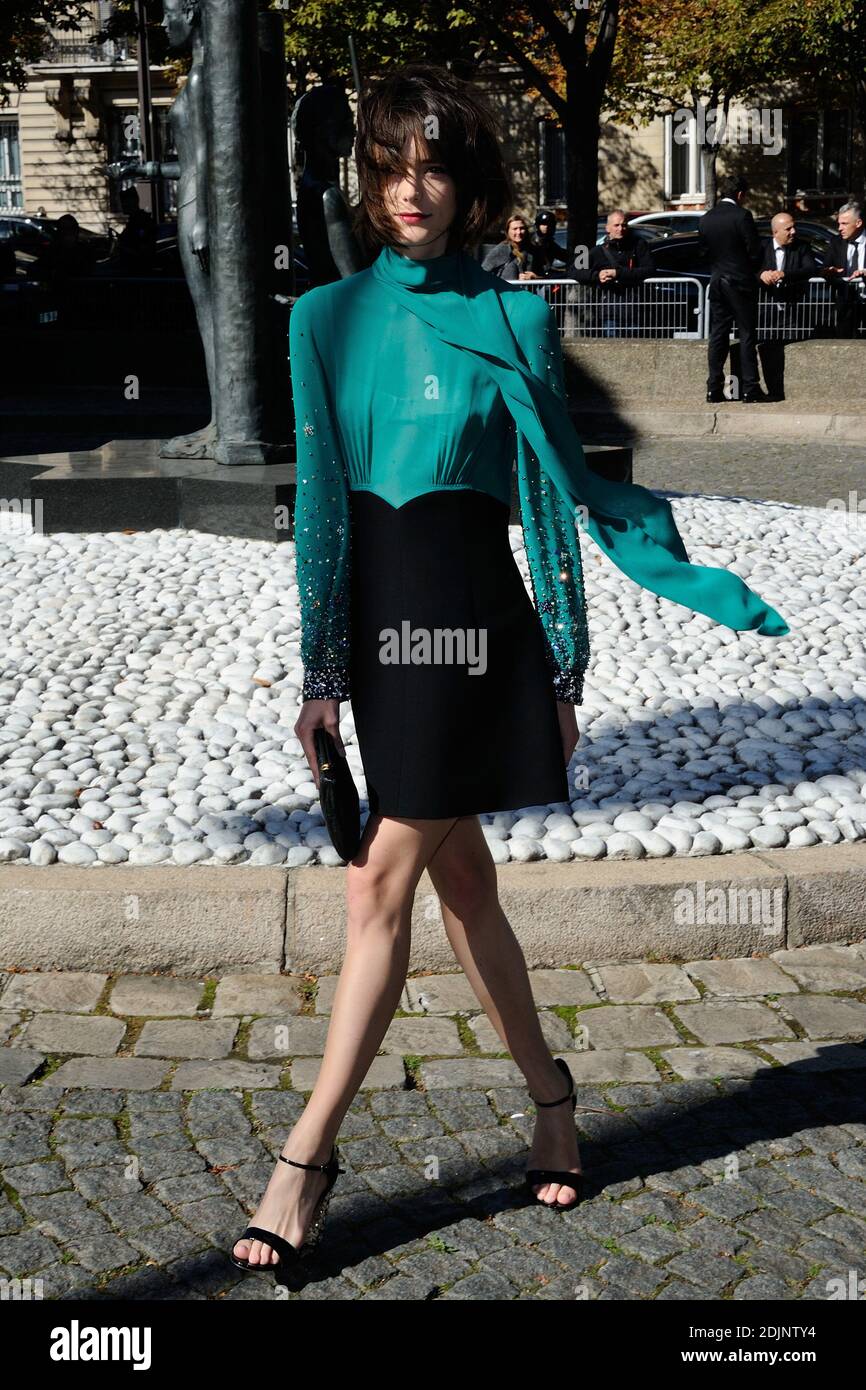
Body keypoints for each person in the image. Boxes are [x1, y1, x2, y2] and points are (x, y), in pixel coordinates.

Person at [230, 63, 789, 1284]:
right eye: (389, 168)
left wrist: (566, 662)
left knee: (377, 884)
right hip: (380, 629)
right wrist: (322, 667)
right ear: (366, 182)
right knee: (463, 886)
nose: (410, 190)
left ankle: (304, 1161)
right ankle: (549, 1096)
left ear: (465, 180)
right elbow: (322, 502)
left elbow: (543, 501)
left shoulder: (515, 319)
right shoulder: (318, 318)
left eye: (431, 166)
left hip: (476, 630)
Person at [699, 175, 768, 402]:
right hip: (739, 283)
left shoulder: (706, 218)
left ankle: (713, 388)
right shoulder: (742, 216)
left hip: (717, 282)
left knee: (718, 335)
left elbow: (702, 253)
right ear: (740, 195)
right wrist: (750, 269)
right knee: (747, 334)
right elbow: (755, 251)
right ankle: (750, 388)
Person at [757, 212, 821, 399]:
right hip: (766, 311)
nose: (794, 231)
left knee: (792, 349)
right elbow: (749, 269)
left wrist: (785, 274)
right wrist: (762, 275)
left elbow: (809, 269)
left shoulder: (802, 247)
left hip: (793, 311)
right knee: (768, 350)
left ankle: (789, 392)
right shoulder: (762, 248)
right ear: (775, 232)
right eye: (788, 229)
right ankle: (771, 390)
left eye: (794, 227)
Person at [571, 209, 653, 335]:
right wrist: (596, 276)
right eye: (616, 225)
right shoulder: (598, 251)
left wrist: (618, 273)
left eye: (624, 225)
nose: (621, 229)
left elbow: (649, 270)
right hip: (609, 312)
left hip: (635, 309)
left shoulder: (639, 245)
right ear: (607, 228)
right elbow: (574, 270)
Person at [824, 200, 866, 338]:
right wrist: (830, 271)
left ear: (858, 223)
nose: (840, 228)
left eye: (844, 224)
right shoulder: (836, 242)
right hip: (846, 303)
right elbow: (825, 267)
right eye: (839, 223)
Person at [481, 213, 538, 280]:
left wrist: (535, 277)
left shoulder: (532, 250)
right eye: (515, 229)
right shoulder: (501, 250)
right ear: (508, 231)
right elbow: (482, 274)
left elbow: (545, 275)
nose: (519, 232)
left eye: (522, 228)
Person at [527, 209, 568, 277]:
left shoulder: (549, 243)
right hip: (532, 279)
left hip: (541, 278)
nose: (546, 227)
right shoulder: (532, 242)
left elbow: (562, 255)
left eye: (549, 224)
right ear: (538, 225)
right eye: (543, 224)